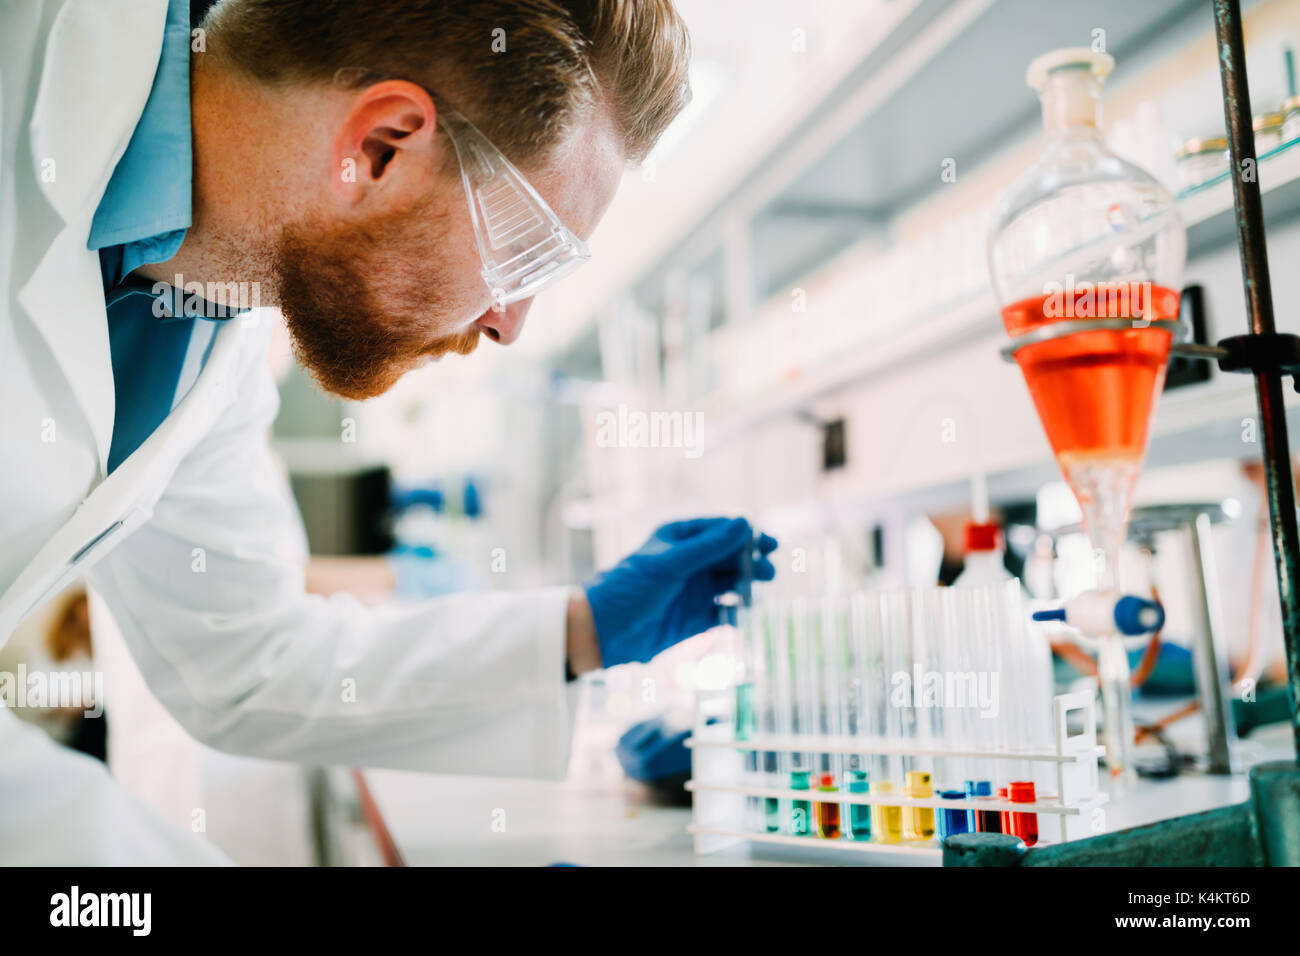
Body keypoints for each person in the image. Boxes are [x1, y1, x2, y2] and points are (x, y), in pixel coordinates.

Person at [0, 0, 777, 864]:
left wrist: (580, 630)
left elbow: (248, 658)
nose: (510, 324)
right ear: (380, 147)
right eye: (526, 255)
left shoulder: (212, 313)